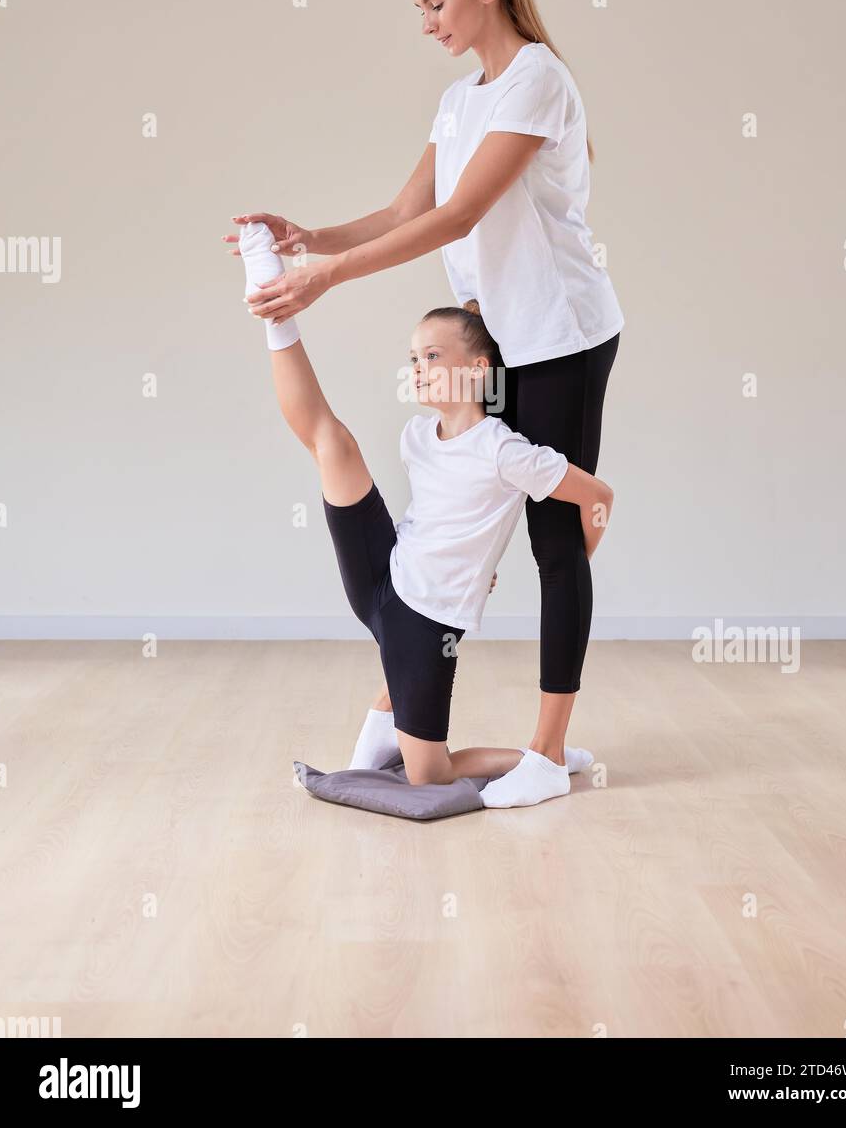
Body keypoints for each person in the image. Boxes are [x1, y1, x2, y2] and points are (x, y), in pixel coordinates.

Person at [221, 0, 623, 805]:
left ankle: (549, 753)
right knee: (458, 509)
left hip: (558, 337)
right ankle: (401, 699)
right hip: (500, 341)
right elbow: (411, 208)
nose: (429, 21)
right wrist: (310, 237)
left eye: (437, 2)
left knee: (555, 540)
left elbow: (458, 218)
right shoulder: (460, 101)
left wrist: (326, 280)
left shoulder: (536, 81)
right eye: (419, 10)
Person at [235, 220, 614, 807]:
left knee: (428, 777)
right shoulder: (417, 435)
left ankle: (543, 759)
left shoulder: (508, 451)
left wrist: (573, 562)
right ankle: (269, 299)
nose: (418, 366)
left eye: (433, 355)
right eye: (413, 357)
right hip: (381, 575)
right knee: (331, 441)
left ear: (480, 369)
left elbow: (598, 497)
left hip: (424, 621)